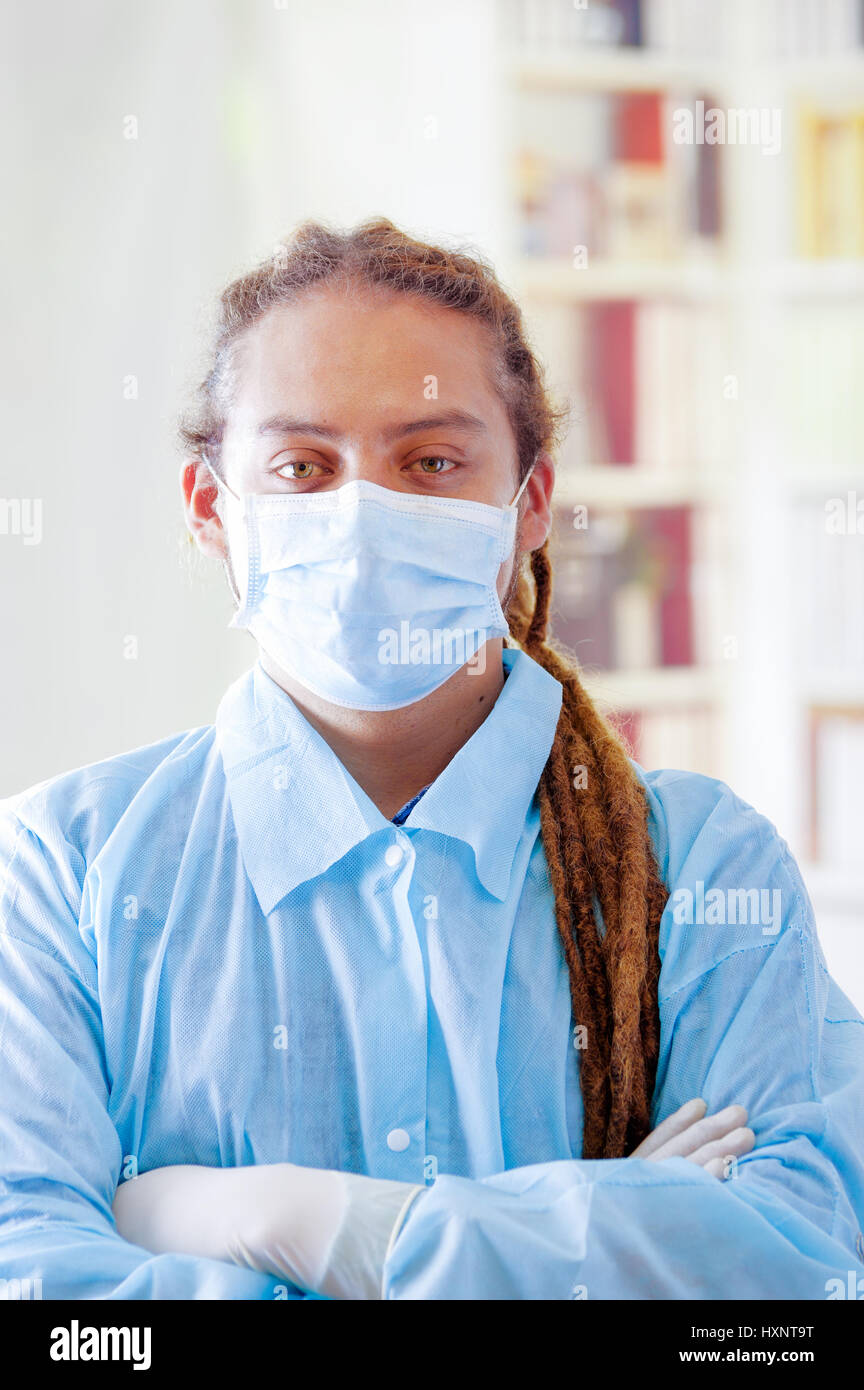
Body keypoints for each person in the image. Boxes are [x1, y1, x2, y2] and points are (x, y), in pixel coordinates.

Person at [0, 219, 861, 1301]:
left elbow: (794, 1281)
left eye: (433, 460)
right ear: (214, 510)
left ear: (530, 504)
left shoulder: (709, 869)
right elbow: (39, 1297)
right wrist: (596, 1236)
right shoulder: (59, 872)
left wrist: (313, 1226)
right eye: (302, 466)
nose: (362, 515)